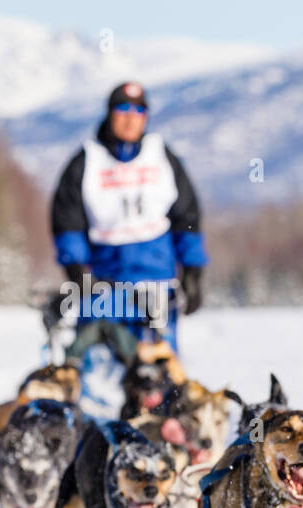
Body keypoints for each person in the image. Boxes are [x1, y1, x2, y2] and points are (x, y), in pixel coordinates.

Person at [51, 81, 207, 354]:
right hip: (103, 283)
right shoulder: (87, 160)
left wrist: (193, 272)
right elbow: (68, 222)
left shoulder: (161, 157)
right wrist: (75, 271)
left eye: (138, 111)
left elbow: (187, 218)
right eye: (122, 109)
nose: (130, 118)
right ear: (110, 113)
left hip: (157, 281)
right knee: (95, 362)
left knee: (159, 376)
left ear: (145, 116)